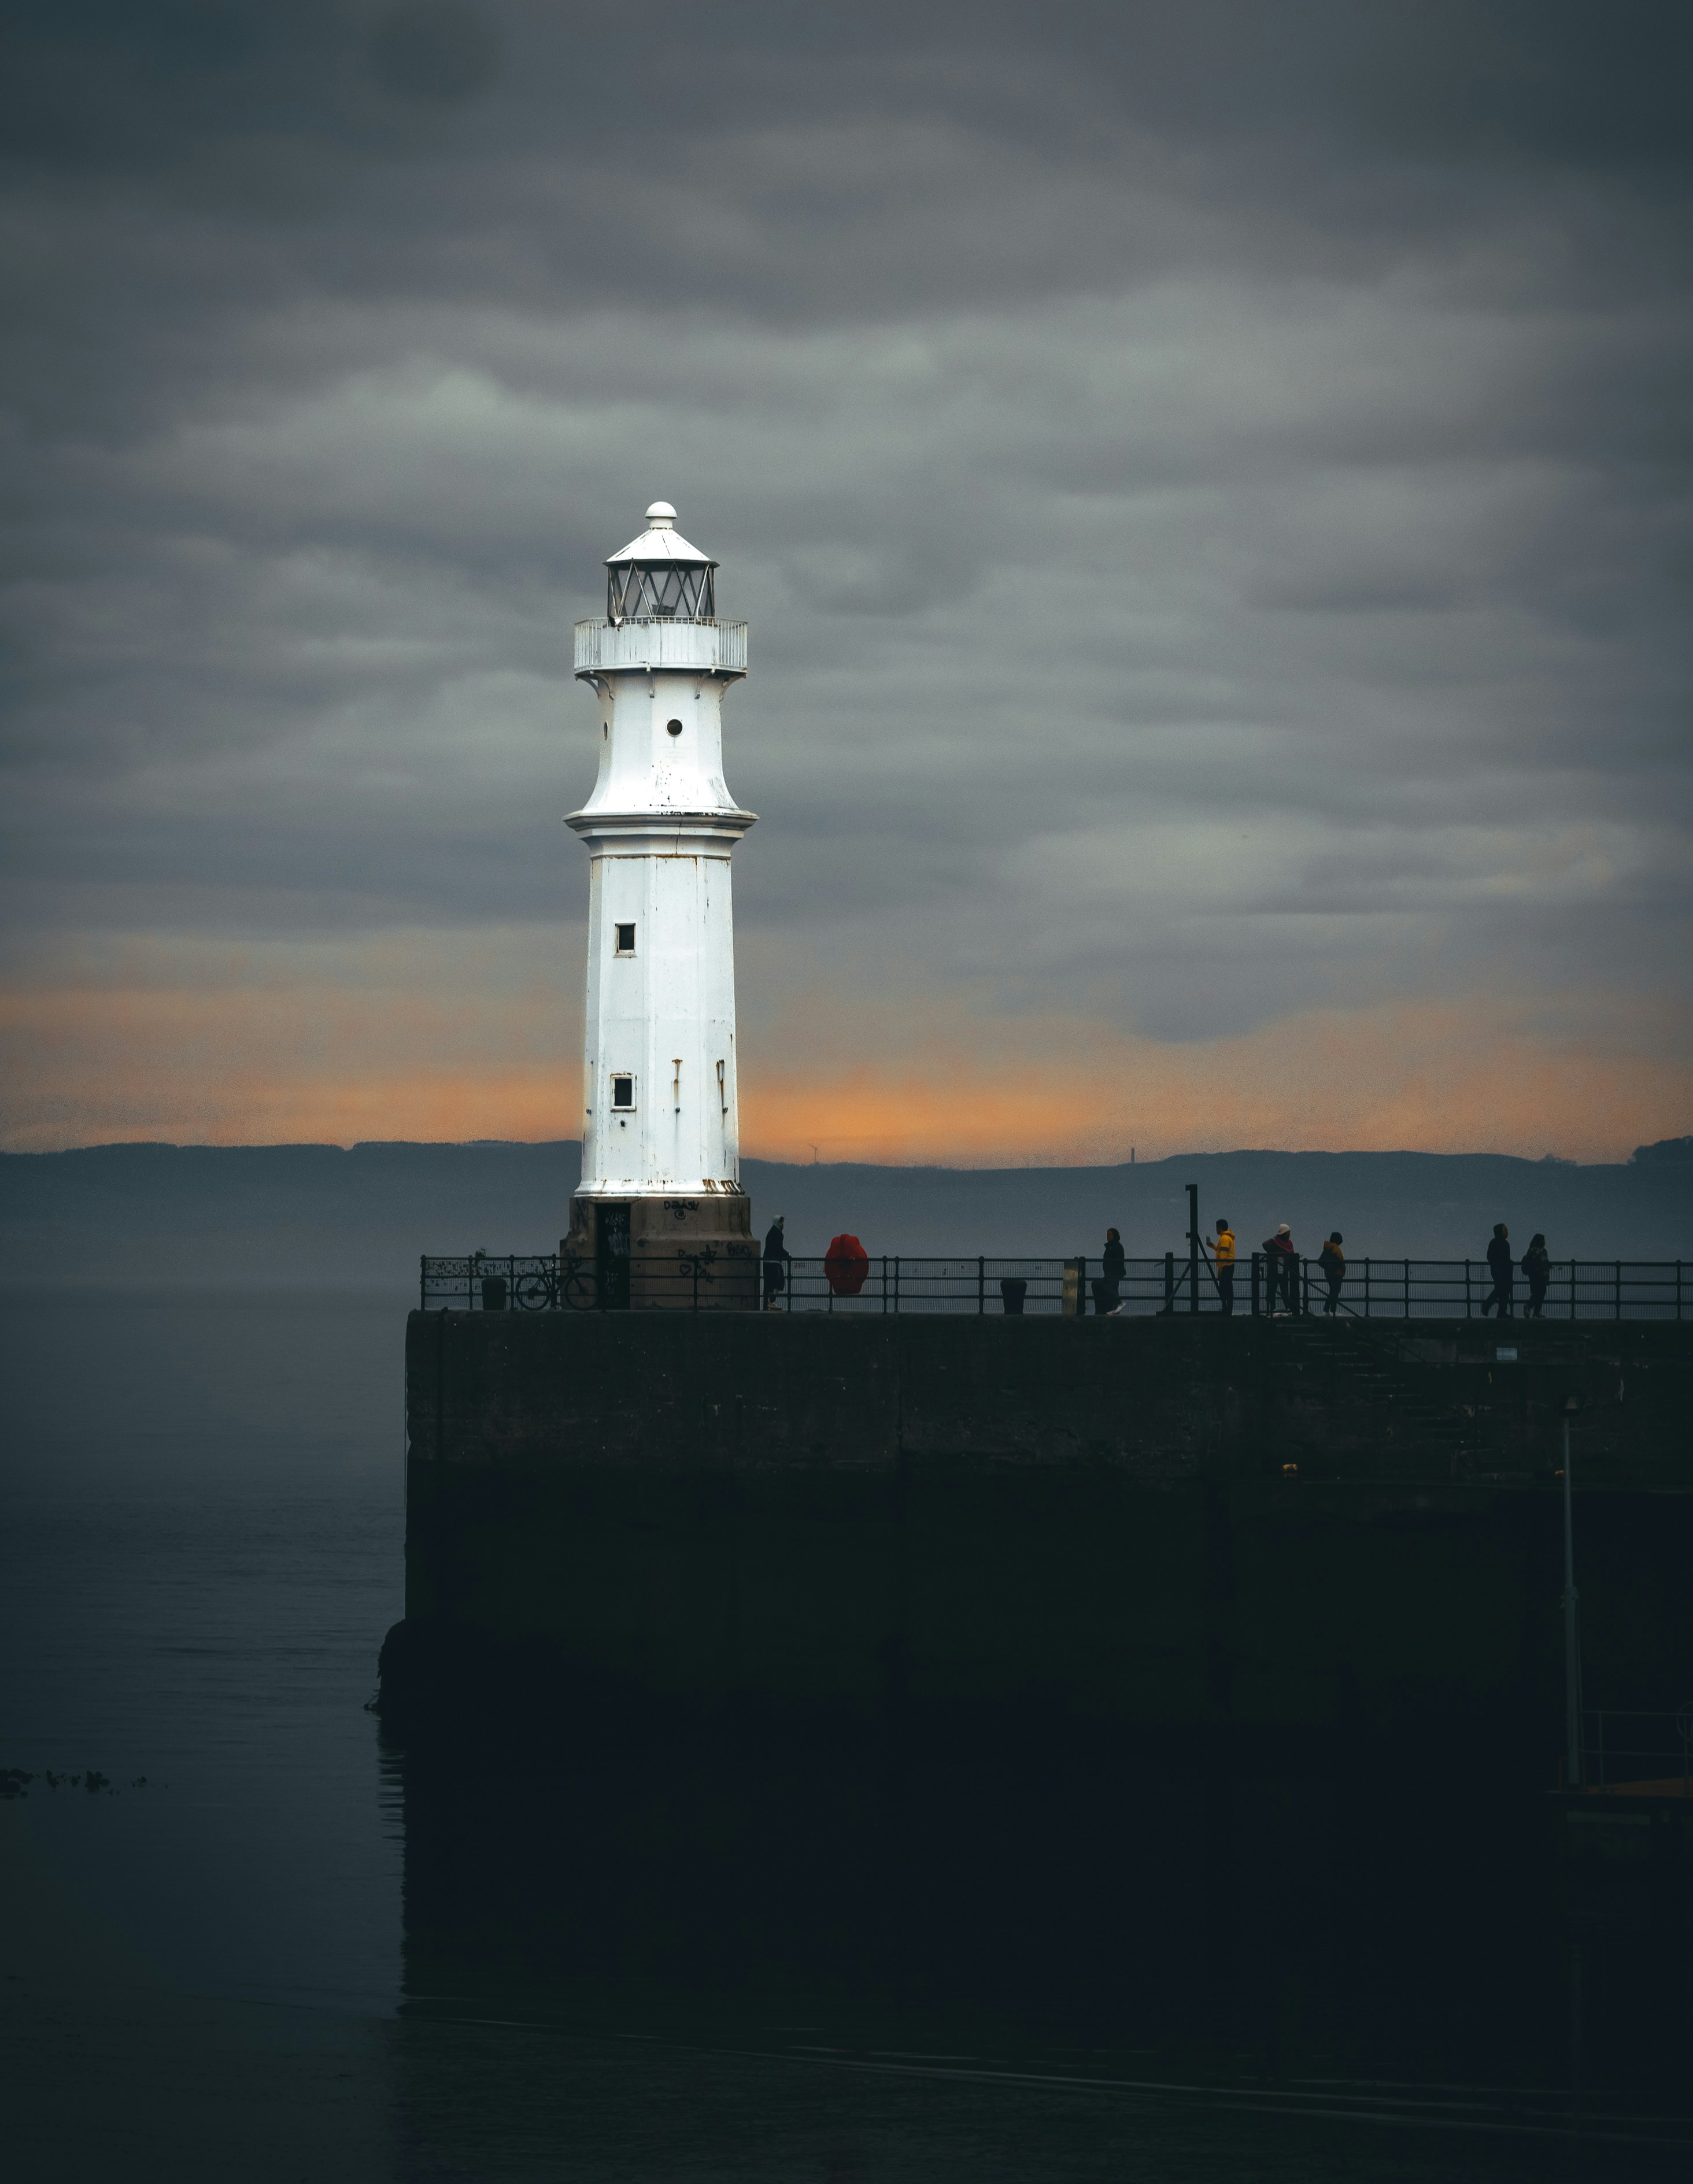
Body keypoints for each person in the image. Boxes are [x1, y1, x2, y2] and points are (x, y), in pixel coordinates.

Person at [1480, 1222, 1513, 1318]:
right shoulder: (1501, 1243)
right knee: (1502, 1290)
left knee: (1502, 1290)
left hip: (1499, 1271)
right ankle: (1496, 1309)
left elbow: (1490, 1257)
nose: (1507, 1232)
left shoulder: (1496, 1243)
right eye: (1505, 1230)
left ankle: (1499, 1311)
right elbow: (1491, 1257)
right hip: (1501, 1271)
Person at [1263, 1223, 1297, 1315]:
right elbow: (1265, 1245)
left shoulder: (1286, 1243)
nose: (1289, 1235)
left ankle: (1286, 1308)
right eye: (1288, 1233)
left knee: (1283, 1290)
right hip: (1275, 1269)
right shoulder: (1274, 1241)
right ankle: (1273, 1309)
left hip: (1282, 1269)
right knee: (1273, 1289)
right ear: (1285, 1233)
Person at [1095, 1226, 1126, 1315]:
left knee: (1108, 1287)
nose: (1108, 1236)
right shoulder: (1111, 1247)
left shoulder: (1116, 1246)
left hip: (1115, 1273)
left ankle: (1120, 1303)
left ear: (1115, 1236)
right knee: (1114, 1289)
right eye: (1107, 1235)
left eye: (1110, 1234)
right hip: (1111, 1274)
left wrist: (1112, 1272)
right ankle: (1116, 1309)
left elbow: (1118, 1260)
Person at [762, 1215, 790, 1309]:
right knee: (780, 1281)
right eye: (781, 1223)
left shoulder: (771, 1232)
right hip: (774, 1261)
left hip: (767, 1261)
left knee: (769, 1283)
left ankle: (768, 1303)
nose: (783, 1225)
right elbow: (779, 1248)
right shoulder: (778, 1234)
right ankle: (772, 1300)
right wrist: (787, 1255)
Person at [1521, 1232, 1551, 1318]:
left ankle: (1530, 1307)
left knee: (1535, 1293)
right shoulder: (1542, 1251)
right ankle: (1535, 1311)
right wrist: (1547, 1278)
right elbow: (1545, 1264)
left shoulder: (1530, 1250)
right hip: (1540, 1275)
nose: (1545, 1242)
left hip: (1532, 1275)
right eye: (1544, 1241)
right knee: (1542, 1293)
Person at [1318, 1231, 1345, 1317]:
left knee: (1332, 1292)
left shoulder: (1327, 1248)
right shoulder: (1336, 1248)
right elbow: (1341, 1260)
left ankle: (1327, 1311)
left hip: (1329, 1274)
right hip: (1337, 1274)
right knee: (1335, 1293)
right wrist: (1342, 1270)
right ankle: (1333, 1311)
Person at [1213, 1217, 1236, 1315]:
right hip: (1230, 1265)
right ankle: (1228, 1308)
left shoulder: (1224, 1239)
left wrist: (1220, 1269)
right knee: (1228, 1288)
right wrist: (1212, 1246)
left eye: (1217, 1227)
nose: (1216, 1229)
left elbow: (1223, 1255)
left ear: (1220, 1228)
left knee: (1224, 1288)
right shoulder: (1227, 1238)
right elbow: (1221, 1250)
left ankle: (1226, 1308)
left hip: (1226, 1266)